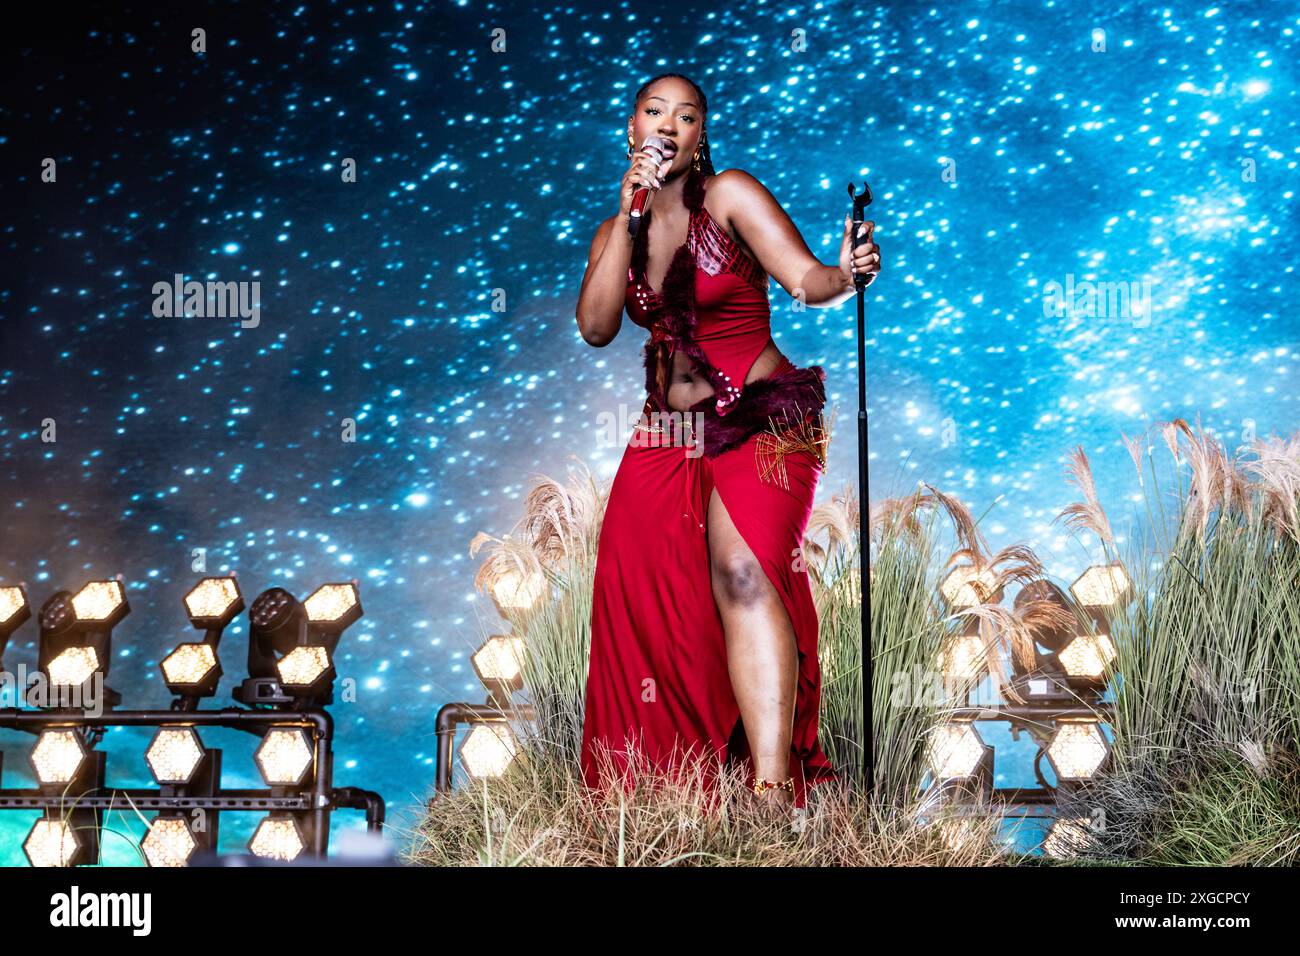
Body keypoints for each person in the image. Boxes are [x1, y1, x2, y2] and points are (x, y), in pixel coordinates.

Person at [574, 72, 881, 814]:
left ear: (700, 133)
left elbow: (808, 280)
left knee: (742, 570)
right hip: (668, 433)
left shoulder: (732, 194)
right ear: (631, 129)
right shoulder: (617, 231)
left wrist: (847, 271)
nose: (669, 124)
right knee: (637, 583)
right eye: (654, 112)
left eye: (687, 115)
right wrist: (625, 215)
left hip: (765, 418)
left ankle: (773, 794)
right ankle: (675, 789)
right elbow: (596, 327)